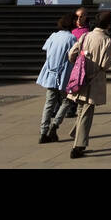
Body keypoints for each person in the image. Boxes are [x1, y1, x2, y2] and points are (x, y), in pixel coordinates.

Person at [65, 10, 111, 158]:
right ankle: (78, 147)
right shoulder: (107, 40)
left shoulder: (86, 35)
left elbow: (71, 54)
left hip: (80, 78)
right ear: (108, 25)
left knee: (81, 109)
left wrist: (78, 64)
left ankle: (76, 134)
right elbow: (105, 65)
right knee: (86, 112)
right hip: (93, 80)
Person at [36, 14, 75, 143]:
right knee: (67, 100)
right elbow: (73, 55)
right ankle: (55, 125)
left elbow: (46, 49)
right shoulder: (71, 38)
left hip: (51, 73)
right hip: (63, 74)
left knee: (49, 103)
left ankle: (43, 131)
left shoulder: (53, 36)